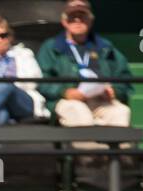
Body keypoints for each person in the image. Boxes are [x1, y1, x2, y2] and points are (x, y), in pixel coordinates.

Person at [37, 1, 133, 129]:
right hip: (69, 100)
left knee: (121, 111)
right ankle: (90, 149)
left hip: (101, 100)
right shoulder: (51, 47)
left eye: (82, 17)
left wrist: (114, 91)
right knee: (78, 112)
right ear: (64, 21)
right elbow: (42, 80)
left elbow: (124, 78)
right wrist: (64, 91)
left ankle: (115, 149)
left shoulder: (105, 47)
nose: (77, 20)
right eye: (72, 17)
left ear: (90, 20)